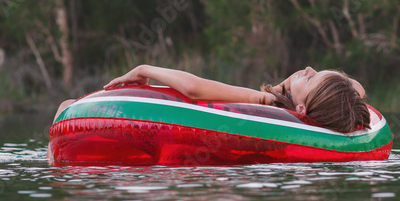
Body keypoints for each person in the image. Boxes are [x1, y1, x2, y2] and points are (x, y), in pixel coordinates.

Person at [53, 64, 370, 133]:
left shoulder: (270, 105)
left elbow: (194, 88)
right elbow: (357, 91)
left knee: (67, 108)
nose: (308, 68)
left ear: (301, 108)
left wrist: (143, 68)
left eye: (312, 78)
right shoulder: (324, 111)